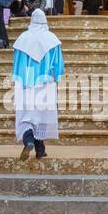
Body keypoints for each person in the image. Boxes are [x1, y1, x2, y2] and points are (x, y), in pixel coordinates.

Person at [11, 9, 64, 160]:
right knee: (42, 114)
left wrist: (17, 78)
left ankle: (28, 140)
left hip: (25, 80)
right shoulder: (51, 39)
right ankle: (40, 148)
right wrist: (58, 77)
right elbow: (58, 63)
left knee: (26, 113)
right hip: (45, 81)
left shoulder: (23, 39)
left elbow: (16, 62)